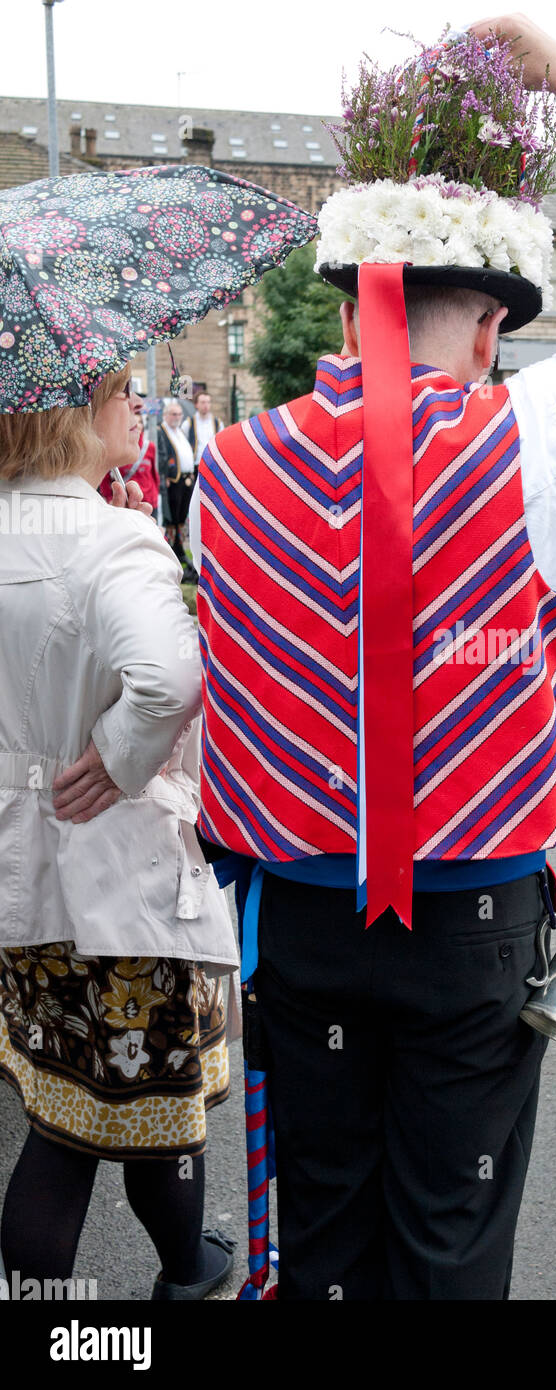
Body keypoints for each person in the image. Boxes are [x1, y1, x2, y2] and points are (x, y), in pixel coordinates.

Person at [190, 15, 556, 1300]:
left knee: (317, 1243)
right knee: (449, 1247)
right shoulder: (541, 437)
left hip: (295, 924)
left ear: (354, 294)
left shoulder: (226, 466)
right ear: (487, 323)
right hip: (471, 926)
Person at [0, 365, 238, 1300]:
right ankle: (182, 1275)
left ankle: (164, 1274)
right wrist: (119, 754)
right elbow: (170, 683)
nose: (138, 404)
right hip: (117, 878)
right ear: (72, 412)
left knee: (61, 1103)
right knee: (142, 1111)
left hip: (24, 882)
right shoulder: (114, 540)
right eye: (117, 390)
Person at [157, 398, 198, 582]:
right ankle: (174, 548)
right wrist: (164, 476)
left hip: (186, 479)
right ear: (166, 415)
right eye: (174, 414)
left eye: (179, 414)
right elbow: (163, 456)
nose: (177, 417)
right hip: (172, 481)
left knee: (182, 517)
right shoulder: (161, 431)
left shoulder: (179, 431)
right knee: (172, 517)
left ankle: (179, 547)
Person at [183, 391, 224, 469]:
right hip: (195, 464)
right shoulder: (188, 423)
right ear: (196, 404)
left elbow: (221, 444)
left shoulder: (218, 423)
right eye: (203, 402)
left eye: (208, 402)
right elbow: (183, 444)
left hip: (213, 463)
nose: (206, 405)